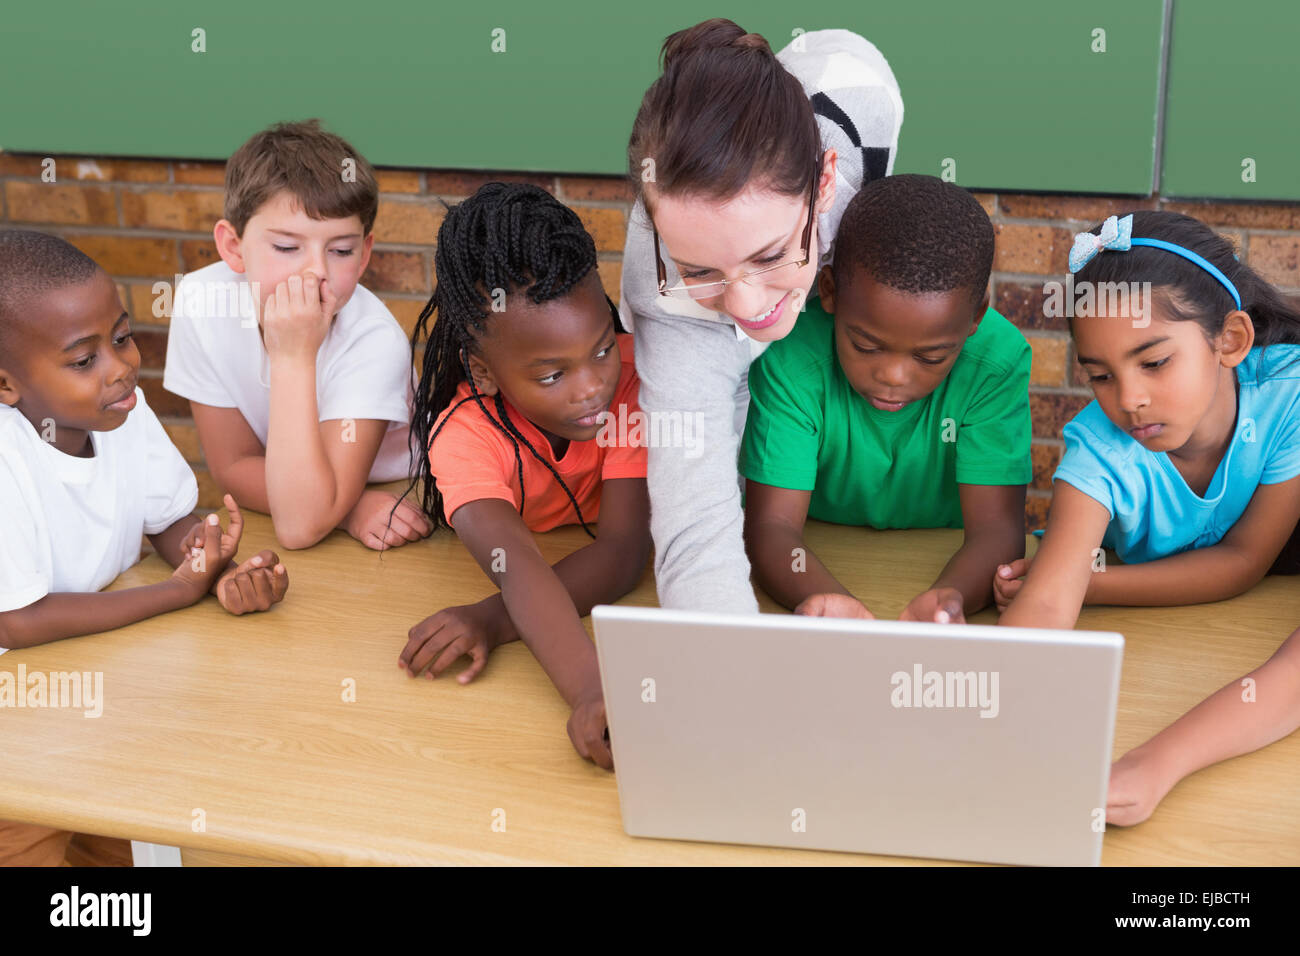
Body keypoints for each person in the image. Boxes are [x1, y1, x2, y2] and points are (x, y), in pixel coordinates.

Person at [991, 211, 1300, 824]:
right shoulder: (1100, 448)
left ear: (1229, 341)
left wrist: (1089, 581)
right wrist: (987, 728)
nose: (1128, 399)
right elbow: (1047, 608)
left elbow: (1244, 563)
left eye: (1154, 362)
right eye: (1100, 376)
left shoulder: (1286, 397)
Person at [0, 230, 287, 865]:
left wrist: (218, 569)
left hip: (95, 690)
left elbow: (169, 522)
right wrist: (178, 591)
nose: (120, 367)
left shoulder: (119, 410)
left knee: (123, 851)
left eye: (122, 337)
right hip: (14, 733)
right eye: (84, 360)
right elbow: (18, 620)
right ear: (7, 385)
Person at [620, 18, 904, 613]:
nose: (746, 307)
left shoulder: (860, 98)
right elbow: (696, 531)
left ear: (825, 182)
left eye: (769, 254)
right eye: (700, 269)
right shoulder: (660, 282)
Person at [397, 184, 650, 771]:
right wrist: (590, 688)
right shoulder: (464, 434)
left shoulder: (637, 384)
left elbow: (621, 555)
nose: (592, 387)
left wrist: (490, 618)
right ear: (484, 372)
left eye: (602, 349)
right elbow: (516, 563)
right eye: (552, 374)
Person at [741, 175, 1030, 622]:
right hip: (825, 550)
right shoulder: (791, 355)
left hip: (935, 556)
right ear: (831, 291)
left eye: (931, 356)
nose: (893, 377)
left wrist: (951, 600)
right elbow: (771, 528)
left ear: (975, 318)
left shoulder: (995, 362)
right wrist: (831, 604)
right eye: (867, 346)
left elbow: (997, 531)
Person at [164, 119, 432, 551]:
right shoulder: (199, 301)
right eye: (287, 248)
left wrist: (292, 356)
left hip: (403, 494)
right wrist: (348, 508)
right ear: (233, 247)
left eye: (341, 250)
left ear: (364, 254)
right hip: (306, 496)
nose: (317, 271)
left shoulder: (374, 340)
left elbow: (301, 527)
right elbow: (233, 466)